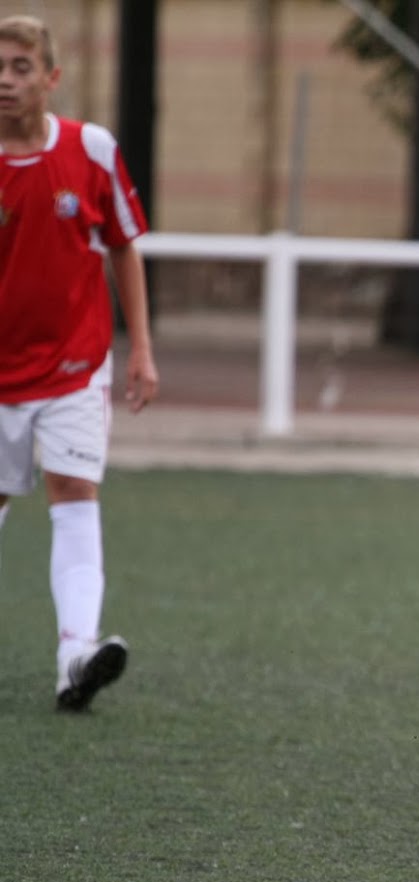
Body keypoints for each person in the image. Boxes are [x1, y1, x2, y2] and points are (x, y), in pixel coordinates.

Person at [0, 15, 158, 713]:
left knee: (74, 495)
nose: (5, 79)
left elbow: (123, 244)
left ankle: (76, 655)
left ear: (51, 78)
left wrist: (141, 350)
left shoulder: (91, 149)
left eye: (20, 66)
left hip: (74, 368)